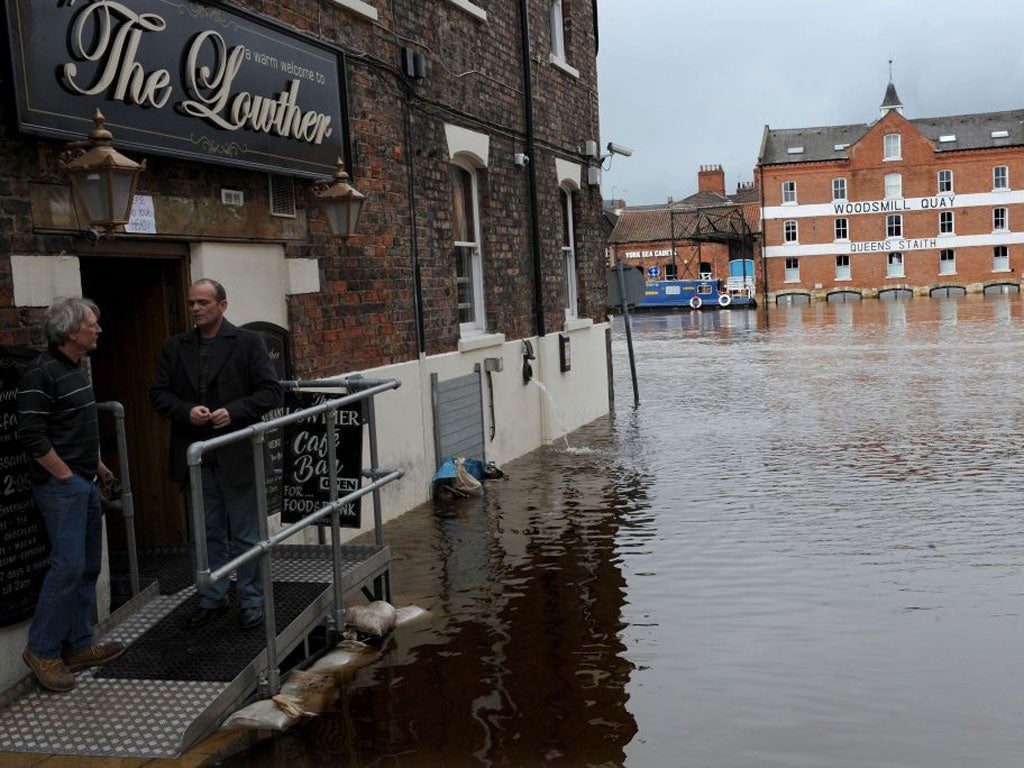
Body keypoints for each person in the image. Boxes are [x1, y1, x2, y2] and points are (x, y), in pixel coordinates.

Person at [150, 279, 282, 629]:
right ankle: (212, 597)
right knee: (205, 533)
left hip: (237, 452)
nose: (195, 308)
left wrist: (235, 411)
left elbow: (271, 392)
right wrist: (186, 411)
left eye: (203, 302)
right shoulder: (173, 347)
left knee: (247, 533)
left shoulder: (248, 342)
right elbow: (159, 395)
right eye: (192, 302)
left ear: (222, 306)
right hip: (195, 456)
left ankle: (252, 600)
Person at [16, 297, 126, 693]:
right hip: (62, 488)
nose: (98, 330)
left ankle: (78, 646)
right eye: (92, 324)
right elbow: (32, 436)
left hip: (84, 481)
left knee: (87, 568)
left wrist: (96, 468)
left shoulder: (76, 369)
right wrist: (66, 478)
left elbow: (74, 427)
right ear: (69, 330)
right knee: (66, 567)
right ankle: (42, 650)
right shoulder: (40, 374)